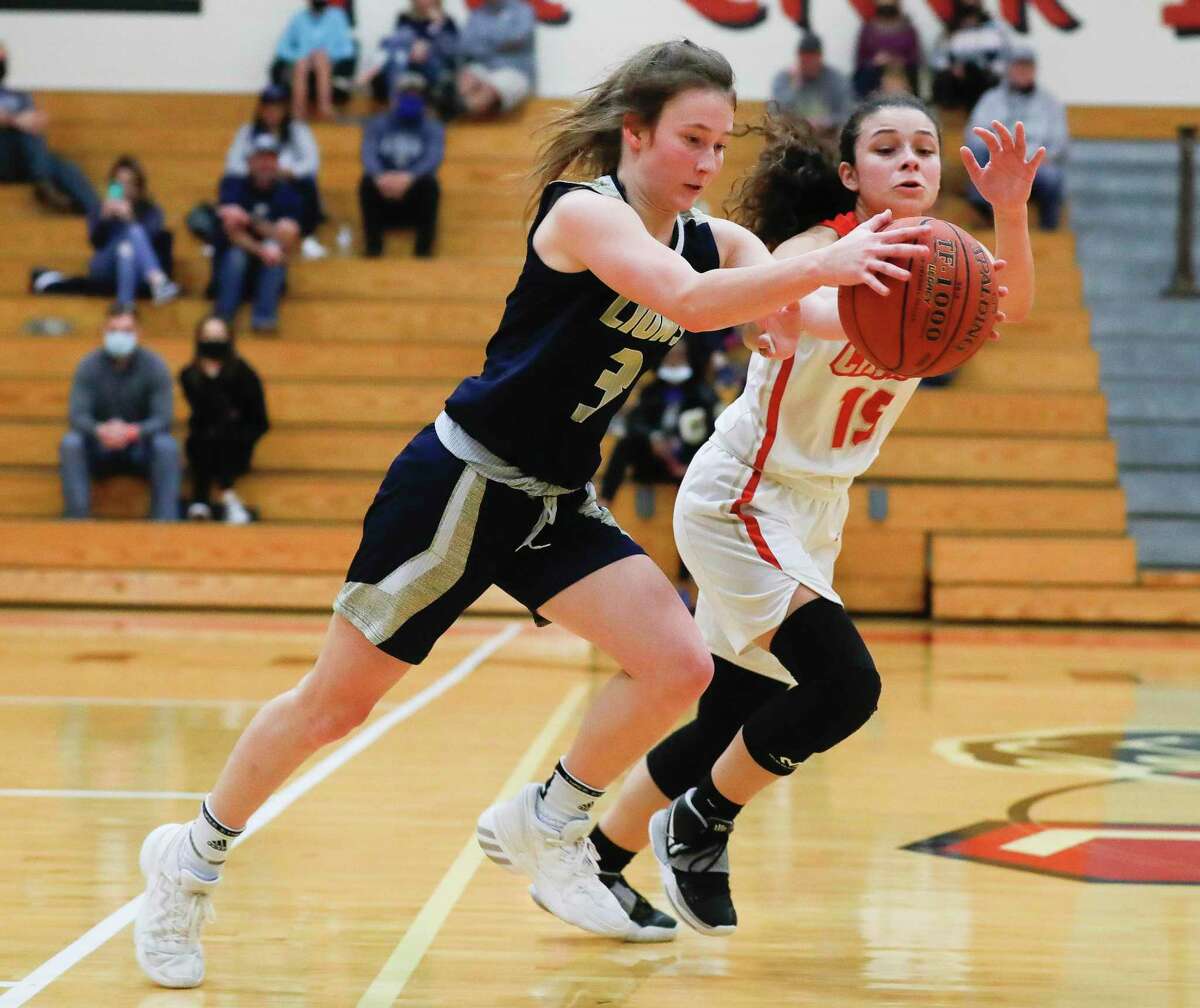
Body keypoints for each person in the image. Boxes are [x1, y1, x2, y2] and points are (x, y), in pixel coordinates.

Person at [132, 39, 932, 988]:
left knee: (678, 664)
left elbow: (790, 315)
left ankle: (549, 823)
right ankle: (189, 859)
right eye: (692, 139)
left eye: (721, 145)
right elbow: (690, 302)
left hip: (555, 500)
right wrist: (822, 264)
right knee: (333, 707)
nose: (708, 162)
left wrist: (905, 310)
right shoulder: (583, 213)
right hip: (461, 485)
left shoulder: (712, 239)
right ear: (635, 133)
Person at [531, 94, 1042, 941]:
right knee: (845, 687)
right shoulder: (814, 252)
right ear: (850, 174)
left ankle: (600, 859)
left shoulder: (946, 261)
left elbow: (1011, 304)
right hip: (745, 494)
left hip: (814, 511)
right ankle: (701, 820)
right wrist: (833, 305)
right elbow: (766, 308)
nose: (910, 161)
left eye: (924, 148)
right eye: (887, 148)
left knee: (733, 709)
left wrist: (1012, 210)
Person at [59, 304, 181, 522]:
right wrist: (100, 430)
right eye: (113, 330)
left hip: (141, 447)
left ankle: (165, 521)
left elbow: (163, 418)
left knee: (167, 446)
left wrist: (133, 431)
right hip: (99, 446)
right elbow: (78, 416)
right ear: (103, 332)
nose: (119, 336)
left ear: (139, 333)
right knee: (71, 443)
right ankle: (77, 520)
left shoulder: (155, 366)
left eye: (126, 330)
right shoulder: (88, 366)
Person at [598, 341, 718, 515]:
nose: (674, 361)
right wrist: (653, 437)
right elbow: (635, 422)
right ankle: (605, 500)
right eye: (670, 356)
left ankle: (697, 509)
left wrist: (687, 463)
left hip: (687, 462)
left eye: (679, 356)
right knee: (625, 444)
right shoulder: (651, 390)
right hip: (655, 459)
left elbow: (711, 432)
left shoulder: (702, 392)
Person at [179, 314, 270, 525]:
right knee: (204, 437)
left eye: (219, 337)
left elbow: (258, 418)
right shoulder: (190, 374)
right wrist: (210, 378)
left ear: (229, 339)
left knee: (223, 435)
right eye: (208, 337)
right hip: (203, 438)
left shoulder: (244, 374)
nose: (214, 342)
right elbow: (203, 411)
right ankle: (215, 498)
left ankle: (216, 496)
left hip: (239, 438)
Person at [965, 45, 1067, 231]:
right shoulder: (991, 99)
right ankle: (988, 216)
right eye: (1018, 65)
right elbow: (975, 133)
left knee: (1053, 177)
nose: (1023, 71)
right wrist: (1000, 155)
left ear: (1035, 70)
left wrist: (1035, 159)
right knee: (975, 148)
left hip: (1033, 164)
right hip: (997, 161)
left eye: (1027, 66)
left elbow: (1059, 143)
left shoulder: (1050, 103)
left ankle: (1050, 235)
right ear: (1008, 68)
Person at [224, 84, 326, 259]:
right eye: (268, 108)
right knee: (231, 182)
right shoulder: (247, 132)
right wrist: (257, 171)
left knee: (307, 184)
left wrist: (287, 171)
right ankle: (237, 231)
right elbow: (233, 164)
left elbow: (311, 163)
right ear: (261, 110)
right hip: (254, 184)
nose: (272, 113)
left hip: (285, 181)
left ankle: (304, 235)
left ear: (285, 110)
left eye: (277, 108)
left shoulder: (298, 130)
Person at [213, 134, 302, 333]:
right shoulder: (233, 185)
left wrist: (250, 220)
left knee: (275, 258)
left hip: (269, 264)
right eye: (260, 158)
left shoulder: (288, 192)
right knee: (237, 256)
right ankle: (223, 320)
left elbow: (289, 237)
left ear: (277, 162)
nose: (265, 164)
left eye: (270, 158)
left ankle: (264, 321)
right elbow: (232, 231)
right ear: (249, 161)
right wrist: (262, 248)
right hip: (233, 262)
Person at [0, 41, 98, 215]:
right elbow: (21, 121)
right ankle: (42, 180)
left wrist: (35, 120)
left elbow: (32, 120)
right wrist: (16, 121)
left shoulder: (18, 95)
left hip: (22, 160)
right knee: (26, 131)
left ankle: (98, 214)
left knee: (63, 166)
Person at [358, 75, 444, 258]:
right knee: (366, 183)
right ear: (395, 98)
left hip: (414, 193)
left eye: (415, 96)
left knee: (430, 184)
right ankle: (373, 249)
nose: (410, 101)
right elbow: (368, 153)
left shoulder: (433, 127)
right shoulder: (378, 124)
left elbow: (433, 158)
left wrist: (409, 177)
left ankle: (423, 252)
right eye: (406, 96)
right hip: (384, 190)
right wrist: (380, 176)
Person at [87, 156, 179, 307]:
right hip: (106, 265)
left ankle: (125, 307)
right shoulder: (100, 208)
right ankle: (158, 280)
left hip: (139, 267)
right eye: (119, 183)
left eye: (129, 183)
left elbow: (148, 242)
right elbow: (96, 242)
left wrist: (130, 218)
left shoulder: (151, 210)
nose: (124, 188)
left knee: (127, 249)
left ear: (138, 187)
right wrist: (104, 219)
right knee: (128, 243)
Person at [359, 0, 459, 114]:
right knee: (400, 49)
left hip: (432, 63)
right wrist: (414, 46)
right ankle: (396, 102)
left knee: (399, 44)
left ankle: (379, 63)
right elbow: (398, 41)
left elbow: (451, 50)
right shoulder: (405, 17)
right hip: (407, 59)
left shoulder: (447, 21)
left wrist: (438, 25)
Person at [271, 0, 357, 120]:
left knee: (321, 60)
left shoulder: (337, 17)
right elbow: (282, 47)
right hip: (303, 61)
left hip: (328, 61)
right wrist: (299, 56)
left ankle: (325, 108)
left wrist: (326, 55)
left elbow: (347, 49)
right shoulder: (298, 18)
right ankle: (298, 111)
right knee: (302, 64)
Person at [456, 0, 536, 119]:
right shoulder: (477, 14)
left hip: (514, 70)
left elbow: (517, 39)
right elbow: (467, 46)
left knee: (487, 92)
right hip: (484, 67)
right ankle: (456, 107)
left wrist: (485, 43)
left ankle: (458, 109)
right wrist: (500, 43)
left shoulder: (522, 10)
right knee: (465, 78)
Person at [930, 0, 1011, 111]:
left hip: (986, 82)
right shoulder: (950, 32)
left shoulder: (994, 28)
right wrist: (952, 69)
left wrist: (991, 69)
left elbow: (1006, 57)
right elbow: (938, 59)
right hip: (958, 85)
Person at [769, 31, 854, 137]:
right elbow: (775, 113)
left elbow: (847, 113)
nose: (808, 64)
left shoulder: (836, 80)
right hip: (792, 137)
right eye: (804, 60)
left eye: (811, 59)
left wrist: (825, 122)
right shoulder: (784, 79)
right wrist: (795, 86)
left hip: (827, 137)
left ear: (820, 57)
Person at [852, 0, 922, 98]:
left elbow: (914, 58)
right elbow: (860, 60)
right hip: (874, 74)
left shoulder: (908, 29)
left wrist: (897, 60)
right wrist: (875, 61)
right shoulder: (868, 30)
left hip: (902, 71)